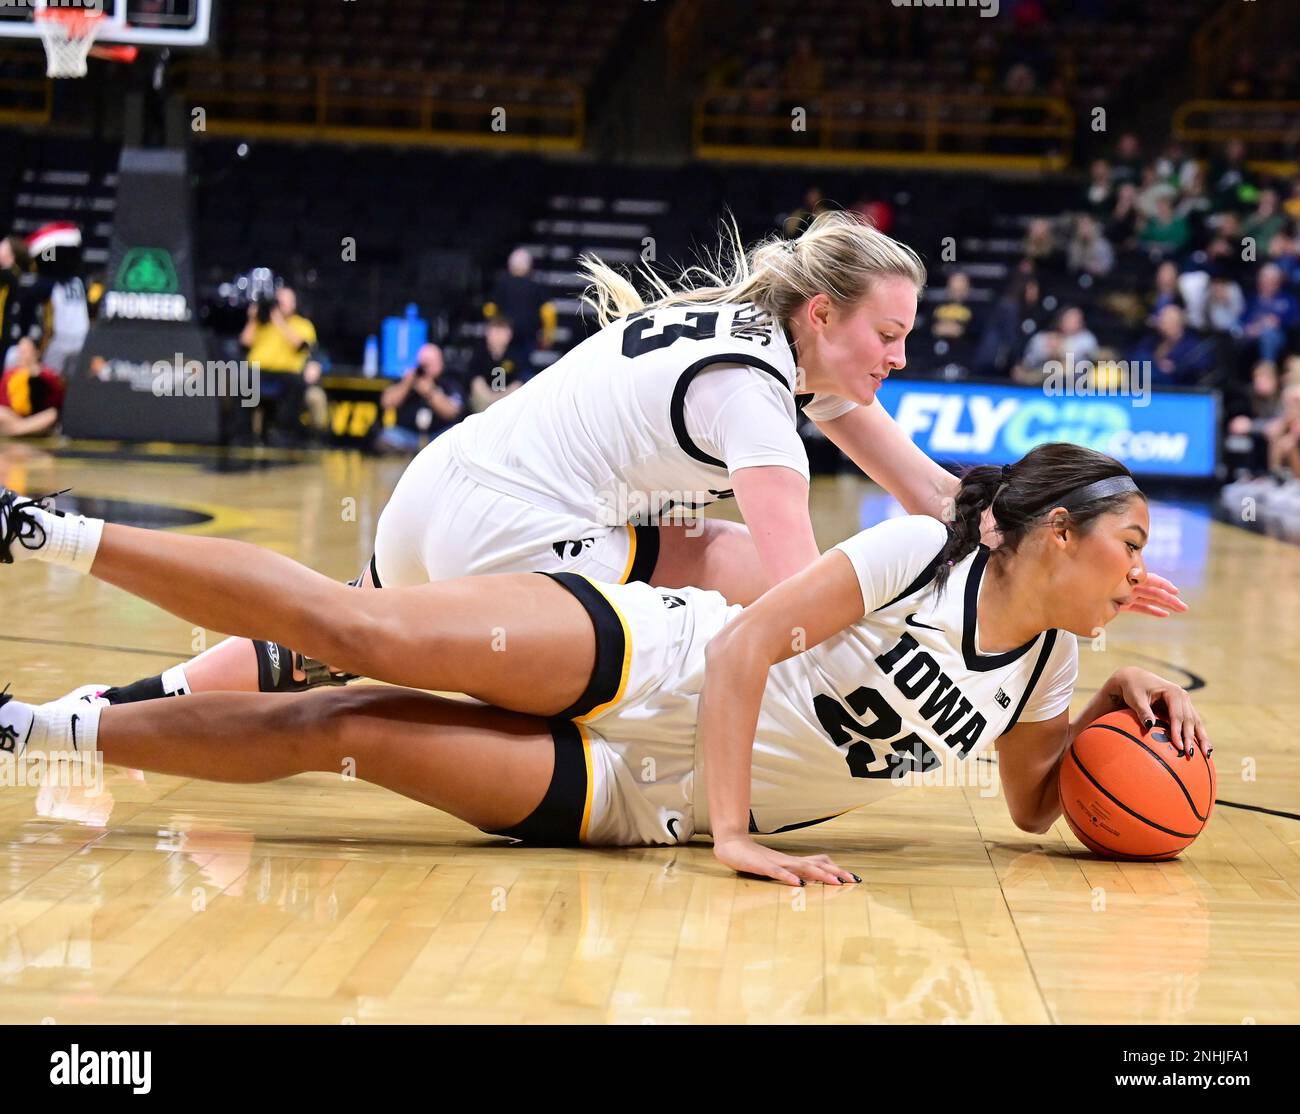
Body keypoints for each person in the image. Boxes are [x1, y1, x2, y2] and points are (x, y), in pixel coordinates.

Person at [56, 211, 1184, 709]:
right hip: (512, 526)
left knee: (336, 637)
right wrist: (934, 662)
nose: (902, 353)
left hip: (439, 493)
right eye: (888, 333)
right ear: (827, 313)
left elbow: (938, 498)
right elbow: (804, 590)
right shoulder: (753, 395)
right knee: (724, 604)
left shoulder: (781, 348)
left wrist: (1069, 556)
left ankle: (102, 705)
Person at [0, 443, 1210, 886]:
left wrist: (1108, 698)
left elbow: (1033, 804)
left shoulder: (1053, 659)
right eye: (1130, 546)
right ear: (1058, 534)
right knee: (359, 633)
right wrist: (742, 838)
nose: (1138, 573)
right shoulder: (911, 552)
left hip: (648, 805)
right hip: (653, 660)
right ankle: (46, 529)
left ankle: (25, 730)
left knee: (350, 730)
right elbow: (742, 646)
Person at [234, 286, 319, 446]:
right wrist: (252, 319)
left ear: (294, 304)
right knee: (241, 380)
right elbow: (244, 343)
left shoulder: (303, 324)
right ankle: (243, 434)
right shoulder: (261, 323)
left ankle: (283, 433)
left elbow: (300, 345)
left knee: (296, 385)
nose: (280, 305)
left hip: (287, 375)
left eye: (284, 302)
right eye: (278, 301)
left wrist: (279, 320)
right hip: (259, 371)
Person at [376, 343, 464, 455]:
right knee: (387, 435)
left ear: (440, 363)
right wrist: (406, 384)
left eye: (430, 363)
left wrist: (430, 392)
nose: (425, 368)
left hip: (437, 437)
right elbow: (386, 402)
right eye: (423, 363)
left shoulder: (449, 382)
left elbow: (452, 411)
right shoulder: (409, 380)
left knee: (454, 435)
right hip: (408, 436)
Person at [483, 248, 557, 370]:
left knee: (502, 365)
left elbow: (489, 308)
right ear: (529, 267)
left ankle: (501, 385)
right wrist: (548, 335)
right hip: (527, 334)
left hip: (505, 334)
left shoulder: (502, 285)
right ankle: (521, 384)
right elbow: (549, 312)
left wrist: (494, 327)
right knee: (523, 365)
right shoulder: (536, 286)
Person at [0, 337, 64, 438]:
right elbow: (3, 402)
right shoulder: (10, 374)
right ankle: (21, 430)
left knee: (52, 414)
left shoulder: (48, 374)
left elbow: (57, 400)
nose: (22, 354)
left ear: (36, 352)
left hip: (37, 419)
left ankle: (16, 430)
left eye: (26, 350)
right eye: (20, 350)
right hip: (15, 417)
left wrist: (38, 374)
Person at [466, 317, 531, 412]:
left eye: (501, 333)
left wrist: (501, 398)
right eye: (495, 332)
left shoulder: (516, 355)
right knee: (477, 386)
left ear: (509, 335)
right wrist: (489, 397)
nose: (498, 337)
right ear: (487, 333)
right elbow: (475, 379)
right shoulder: (479, 354)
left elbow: (519, 381)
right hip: (484, 400)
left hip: (509, 399)